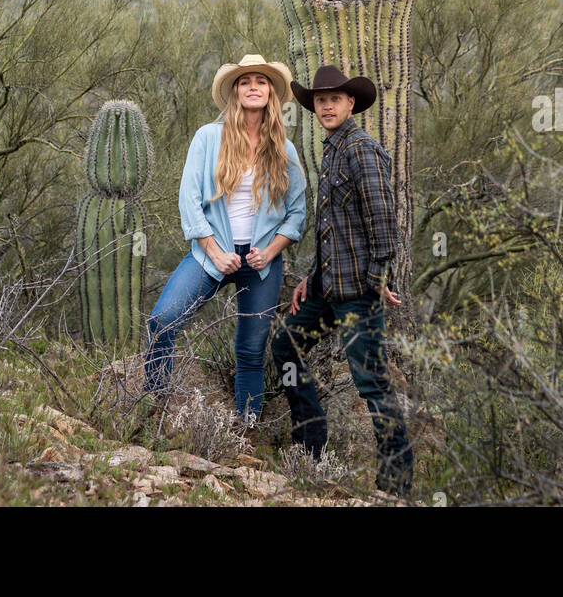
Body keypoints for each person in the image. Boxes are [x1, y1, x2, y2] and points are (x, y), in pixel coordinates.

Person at [271, 63, 414, 496]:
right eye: (320, 100)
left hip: (356, 294)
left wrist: (377, 278)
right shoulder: (333, 149)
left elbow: (383, 220)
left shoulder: (360, 150)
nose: (327, 105)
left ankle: (396, 484)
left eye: (335, 98)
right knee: (286, 345)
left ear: (351, 103)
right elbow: (335, 227)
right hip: (327, 288)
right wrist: (311, 277)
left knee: (371, 383)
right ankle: (310, 445)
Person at [143, 54, 307, 426]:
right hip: (210, 255)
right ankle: (155, 408)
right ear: (235, 91)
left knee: (250, 351)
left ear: (270, 93)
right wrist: (216, 254)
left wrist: (269, 251)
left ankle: (244, 430)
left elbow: (297, 212)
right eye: (245, 80)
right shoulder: (208, 137)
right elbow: (189, 201)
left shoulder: (286, 150)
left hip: (261, 263)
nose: (253, 86)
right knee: (162, 321)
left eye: (261, 81)